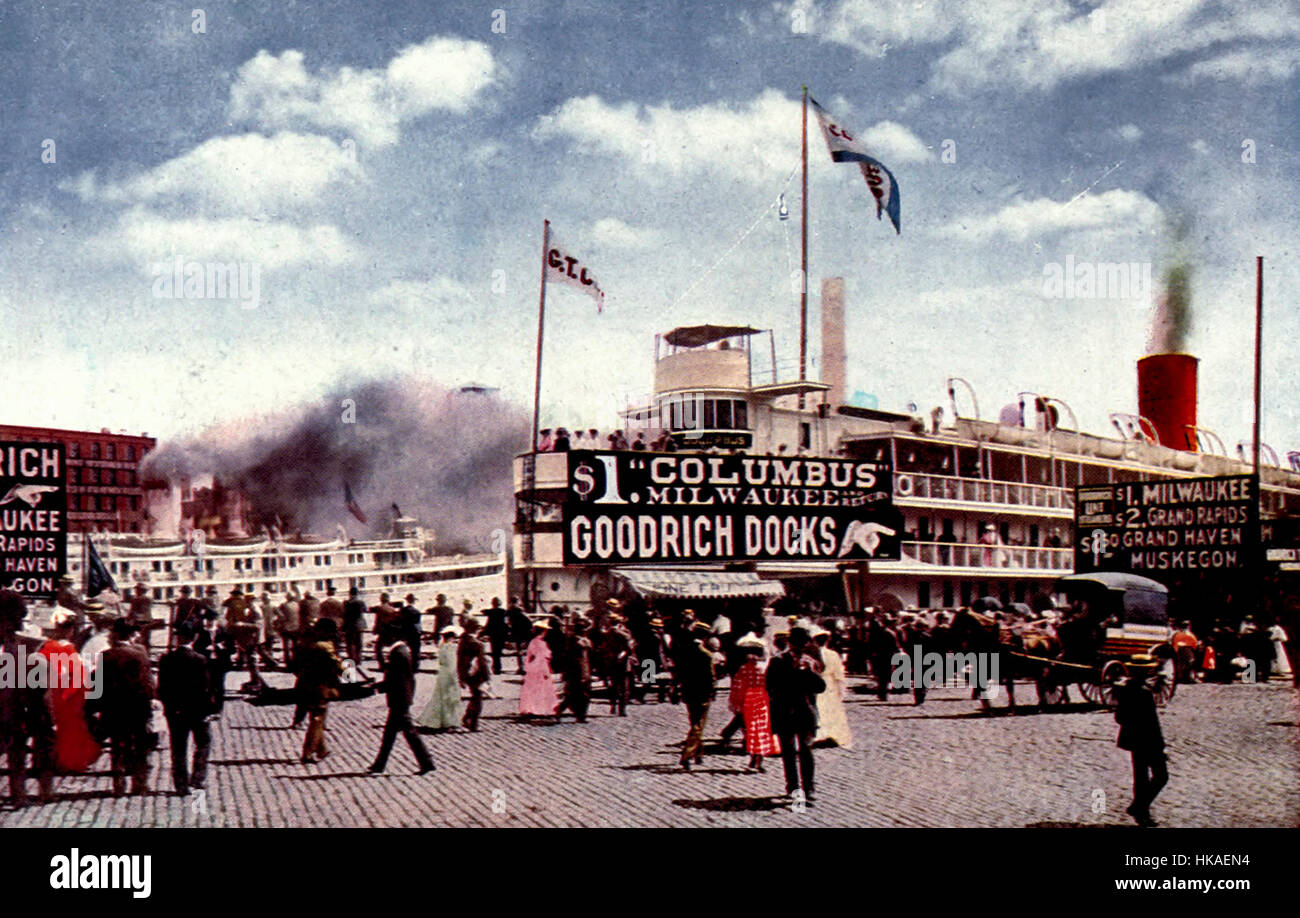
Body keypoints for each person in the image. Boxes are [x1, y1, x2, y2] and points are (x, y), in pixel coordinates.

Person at [88, 619, 156, 796]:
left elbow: (98, 685)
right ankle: (139, 783)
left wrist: (93, 707)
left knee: (118, 746)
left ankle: (119, 784)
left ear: (116, 634)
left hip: (115, 707)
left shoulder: (106, 656)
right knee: (141, 745)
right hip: (139, 706)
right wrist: (151, 700)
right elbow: (148, 682)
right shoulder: (141, 653)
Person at [0, 589, 55, 806]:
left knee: (16, 750)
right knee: (40, 747)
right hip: (30, 705)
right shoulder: (29, 649)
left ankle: (19, 795)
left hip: (11, 705)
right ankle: (45, 792)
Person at [37, 611, 103, 777]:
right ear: (71, 631)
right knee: (72, 728)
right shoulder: (69, 649)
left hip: (52, 690)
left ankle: (57, 759)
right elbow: (81, 674)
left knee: (58, 727)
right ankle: (70, 761)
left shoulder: (47, 647)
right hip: (70, 693)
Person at [766, 626, 826, 803]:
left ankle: (809, 787)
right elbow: (769, 686)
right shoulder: (777, 661)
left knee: (806, 750)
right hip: (784, 711)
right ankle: (792, 787)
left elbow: (820, 687)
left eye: (802, 645)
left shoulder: (810, 662)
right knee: (788, 752)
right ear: (790, 644)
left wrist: (807, 672)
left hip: (805, 712)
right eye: (796, 645)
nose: (799, 649)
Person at [368, 622, 435, 775]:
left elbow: (396, 679)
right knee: (389, 734)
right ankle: (379, 764)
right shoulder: (402, 650)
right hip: (401, 697)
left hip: (399, 698)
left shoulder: (398, 653)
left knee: (409, 733)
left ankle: (427, 763)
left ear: (392, 637)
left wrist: (378, 687)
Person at [157, 620, 213, 796]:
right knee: (203, 743)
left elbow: (162, 688)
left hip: (176, 711)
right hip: (197, 710)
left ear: (177, 638)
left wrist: (169, 707)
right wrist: (209, 710)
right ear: (194, 638)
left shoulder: (166, 659)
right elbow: (206, 688)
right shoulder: (200, 659)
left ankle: (181, 784)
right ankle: (198, 778)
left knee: (178, 747)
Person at [1114, 674, 1168, 827]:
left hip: (1133, 739)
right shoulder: (1145, 693)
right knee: (1161, 776)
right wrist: (1161, 746)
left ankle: (1141, 812)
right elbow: (1153, 724)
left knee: (1141, 777)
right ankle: (1139, 807)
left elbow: (1119, 718)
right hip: (1148, 741)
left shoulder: (1125, 691)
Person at [729, 634, 779, 772]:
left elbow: (737, 688)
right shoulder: (765, 669)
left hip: (747, 700)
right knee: (761, 730)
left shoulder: (743, 669)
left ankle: (754, 755)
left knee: (750, 730)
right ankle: (758, 757)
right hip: (762, 700)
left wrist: (734, 703)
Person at [296, 619, 343, 763]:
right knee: (318, 717)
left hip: (304, 684)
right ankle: (308, 753)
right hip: (320, 686)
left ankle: (321, 749)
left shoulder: (303, 644)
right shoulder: (325, 646)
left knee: (315, 716)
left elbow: (294, 665)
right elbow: (338, 666)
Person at [676, 621, 717, 770]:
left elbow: (679, 672)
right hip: (702, 692)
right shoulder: (706, 654)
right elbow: (711, 676)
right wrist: (713, 691)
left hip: (688, 691)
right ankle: (686, 755)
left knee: (694, 721)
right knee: (698, 725)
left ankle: (698, 753)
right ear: (705, 637)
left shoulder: (684, 651)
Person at [813, 628, 853, 748]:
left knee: (822, 709)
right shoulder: (832, 654)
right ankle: (830, 734)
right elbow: (839, 673)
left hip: (820, 684)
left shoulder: (813, 654)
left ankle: (823, 734)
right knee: (829, 710)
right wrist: (841, 688)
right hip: (829, 684)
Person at [418, 627, 464, 730]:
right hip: (449, 673)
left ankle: (438, 720)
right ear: (451, 637)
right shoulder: (451, 647)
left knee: (440, 696)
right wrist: (456, 676)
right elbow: (452, 663)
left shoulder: (442, 647)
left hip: (442, 673)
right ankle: (449, 721)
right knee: (450, 697)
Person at [556, 617, 594, 723]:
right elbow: (570, 657)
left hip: (582, 671)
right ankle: (568, 712)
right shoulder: (576, 641)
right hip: (577, 671)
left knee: (580, 694)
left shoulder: (582, 641)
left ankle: (580, 715)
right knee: (576, 695)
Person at [519, 620, 558, 718]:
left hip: (533, 668)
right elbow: (540, 658)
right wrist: (545, 671)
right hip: (540, 668)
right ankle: (540, 708)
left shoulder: (533, 641)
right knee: (541, 688)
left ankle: (531, 708)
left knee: (532, 688)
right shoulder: (540, 643)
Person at [457, 619, 491, 731]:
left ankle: (467, 717)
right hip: (477, 674)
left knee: (474, 696)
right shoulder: (478, 644)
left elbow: (459, 660)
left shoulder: (462, 641)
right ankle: (473, 723)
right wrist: (487, 677)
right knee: (478, 698)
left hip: (466, 673)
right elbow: (482, 662)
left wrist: (461, 676)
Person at [602, 608, 637, 717]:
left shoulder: (606, 633)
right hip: (623, 663)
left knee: (613, 685)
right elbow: (630, 648)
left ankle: (613, 706)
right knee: (624, 687)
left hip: (611, 662)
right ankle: (622, 709)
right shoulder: (624, 634)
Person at [483, 597, 510, 676]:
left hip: (494, 634)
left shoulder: (491, 612)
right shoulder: (503, 611)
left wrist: (484, 632)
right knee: (499, 651)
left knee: (495, 653)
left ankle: (496, 668)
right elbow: (506, 623)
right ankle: (498, 668)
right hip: (501, 634)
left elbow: (486, 617)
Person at [274, 590, 301, 668]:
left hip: (286, 628)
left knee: (286, 647)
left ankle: (289, 664)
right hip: (296, 628)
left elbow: (279, 615)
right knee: (296, 647)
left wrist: (279, 623)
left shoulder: (283, 605)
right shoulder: (297, 605)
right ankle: (296, 663)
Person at [342, 587, 367, 665]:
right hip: (359, 625)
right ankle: (358, 660)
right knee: (359, 643)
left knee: (349, 644)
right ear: (357, 593)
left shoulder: (346, 603)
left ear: (350, 593)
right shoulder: (361, 602)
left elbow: (344, 613)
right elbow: (365, 610)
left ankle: (351, 659)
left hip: (349, 625)